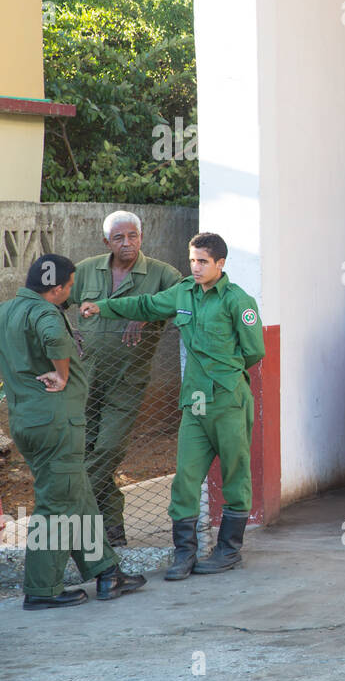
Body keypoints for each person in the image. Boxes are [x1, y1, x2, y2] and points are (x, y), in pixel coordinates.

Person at [82, 232, 265, 579]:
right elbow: (147, 305)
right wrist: (103, 306)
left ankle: (228, 550)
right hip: (194, 404)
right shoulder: (182, 293)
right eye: (192, 260)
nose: (195, 267)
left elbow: (254, 351)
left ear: (220, 264)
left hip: (228, 401)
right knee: (185, 478)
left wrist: (222, 374)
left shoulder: (238, 301)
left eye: (202, 262)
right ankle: (184, 554)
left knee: (235, 475)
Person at [0, 255, 145, 609]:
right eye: (70, 285)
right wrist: (62, 375)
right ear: (58, 288)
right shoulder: (47, 313)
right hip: (57, 423)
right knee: (56, 504)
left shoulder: (6, 311)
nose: (71, 291)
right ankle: (41, 590)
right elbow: (54, 340)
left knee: (76, 497)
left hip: (25, 420)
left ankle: (108, 572)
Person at [71, 211, 184, 547]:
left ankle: (75, 505)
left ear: (142, 236)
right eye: (119, 238)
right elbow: (55, 297)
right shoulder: (88, 269)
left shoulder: (162, 274)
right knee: (86, 448)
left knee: (107, 449)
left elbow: (185, 297)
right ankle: (113, 530)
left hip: (127, 380)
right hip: (86, 378)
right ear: (107, 242)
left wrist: (147, 313)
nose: (127, 243)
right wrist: (68, 331)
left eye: (133, 236)